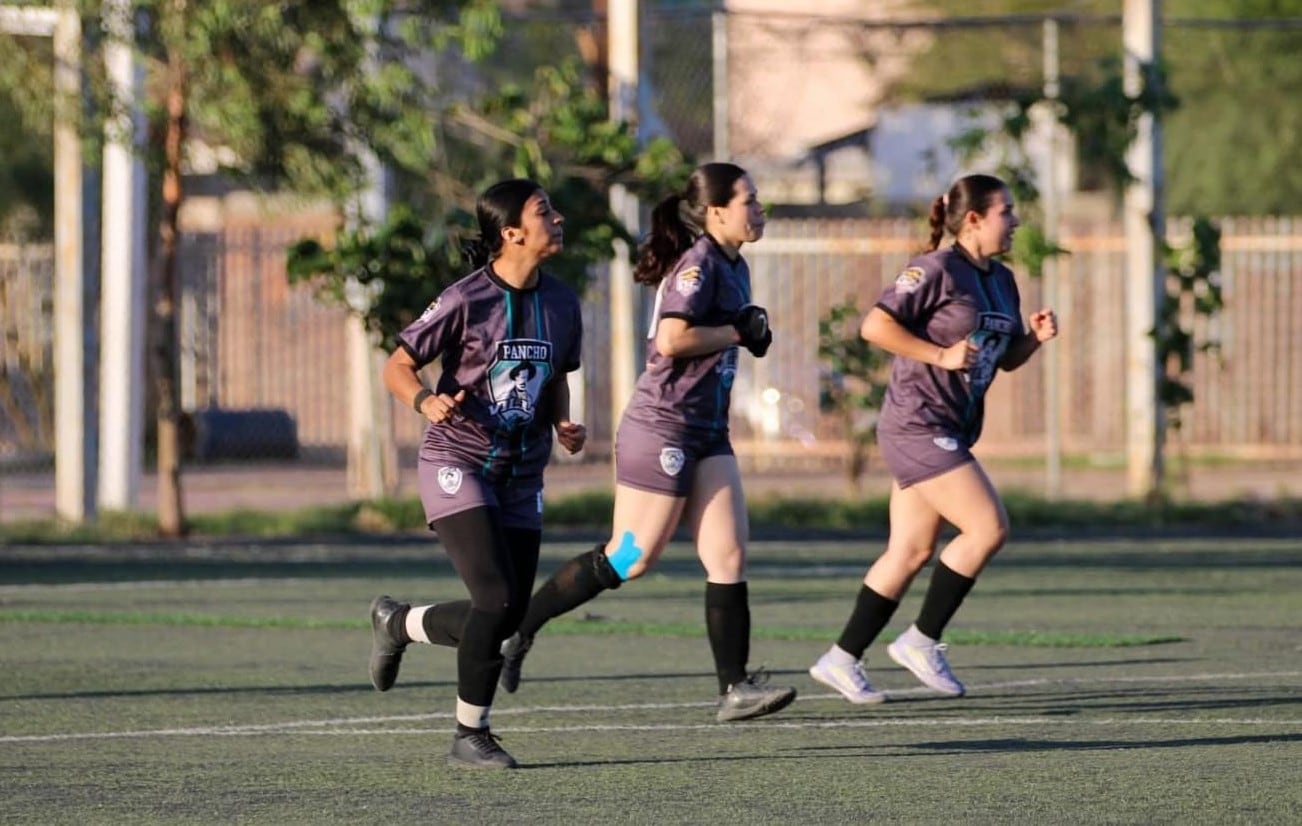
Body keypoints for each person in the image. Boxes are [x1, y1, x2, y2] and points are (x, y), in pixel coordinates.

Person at [496, 162, 797, 724]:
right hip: (663, 429)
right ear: (715, 212)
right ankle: (522, 628)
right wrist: (737, 332)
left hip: (706, 430)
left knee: (729, 553)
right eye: (749, 201)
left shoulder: (735, 265)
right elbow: (671, 337)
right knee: (629, 558)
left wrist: (742, 333)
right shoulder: (699, 264)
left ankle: (734, 687)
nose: (759, 210)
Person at [808, 173, 1059, 704]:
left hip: (951, 426)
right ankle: (921, 639)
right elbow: (875, 327)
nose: (1013, 221)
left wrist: (1032, 339)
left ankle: (841, 658)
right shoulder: (937, 269)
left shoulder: (1002, 280)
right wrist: (940, 355)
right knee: (988, 528)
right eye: (1005, 212)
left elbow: (1003, 358)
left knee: (910, 550)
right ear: (973, 219)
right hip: (916, 424)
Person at [366, 178, 586, 769]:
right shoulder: (465, 299)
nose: (558, 218)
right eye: (546, 210)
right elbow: (398, 365)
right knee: (492, 597)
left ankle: (399, 624)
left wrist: (565, 423)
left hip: (522, 473)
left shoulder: (563, 302)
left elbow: (558, 373)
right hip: (457, 461)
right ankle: (470, 735)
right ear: (512, 232)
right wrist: (423, 401)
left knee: (506, 613)